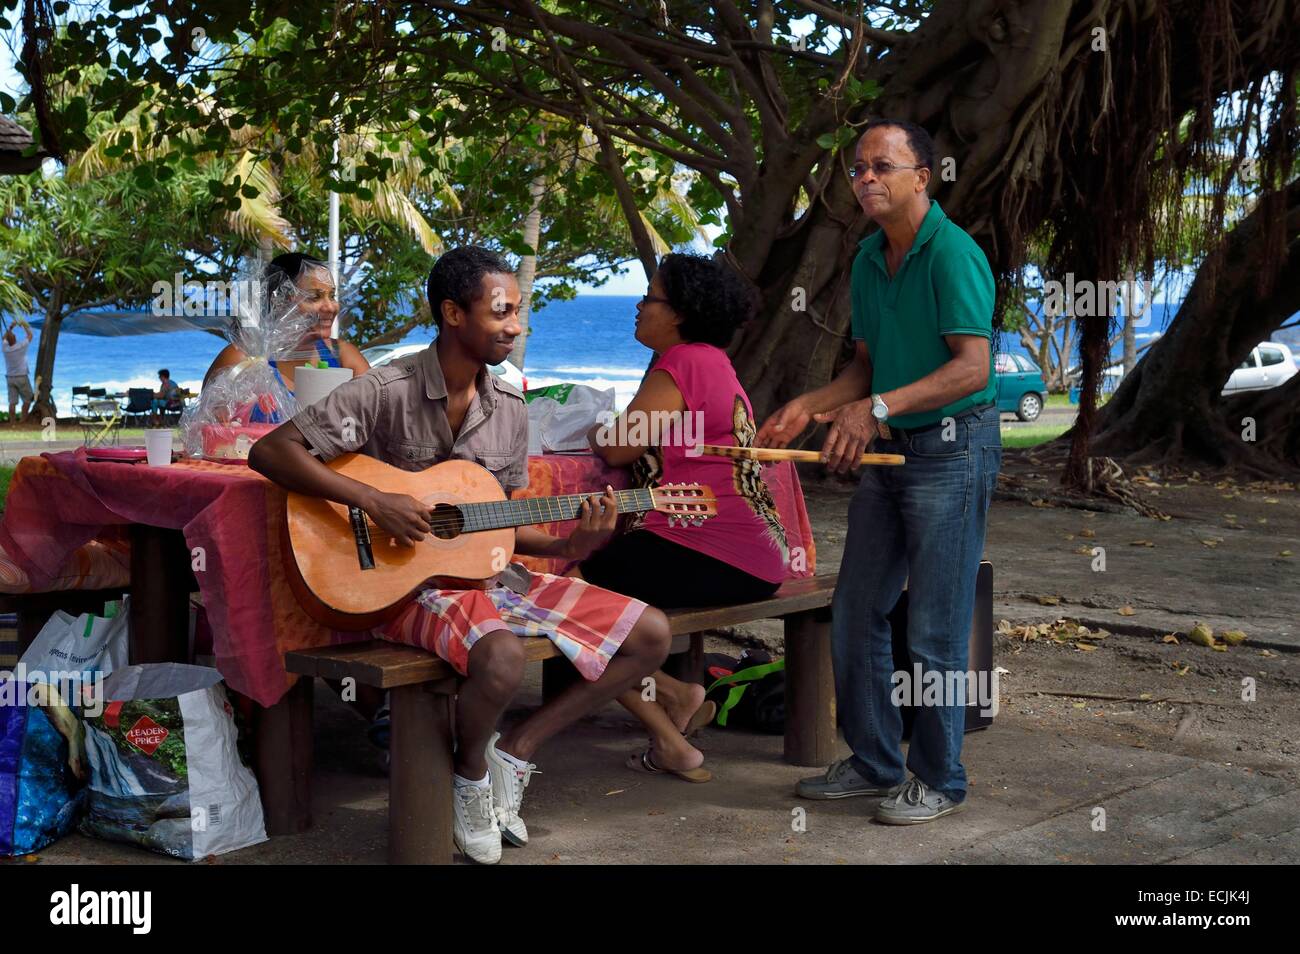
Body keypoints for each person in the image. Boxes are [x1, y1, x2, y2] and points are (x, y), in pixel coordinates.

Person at [249, 246, 671, 864]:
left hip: (484, 579)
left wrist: (570, 545)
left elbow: (487, 524)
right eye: (501, 312)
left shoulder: (510, 409)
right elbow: (273, 453)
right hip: (398, 586)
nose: (516, 326)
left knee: (651, 634)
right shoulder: (385, 388)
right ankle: (470, 775)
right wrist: (374, 500)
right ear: (452, 313)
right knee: (500, 657)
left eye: (519, 312)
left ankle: (516, 750)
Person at [758, 119, 1001, 825]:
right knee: (857, 608)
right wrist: (810, 405)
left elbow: (972, 368)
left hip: (953, 450)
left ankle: (940, 778)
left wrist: (876, 408)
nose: (865, 179)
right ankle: (872, 762)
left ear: (922, 178)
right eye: (858, 169)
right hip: (894, 453)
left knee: (934, 628)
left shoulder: (952, 255)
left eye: (882, 167)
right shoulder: (868, 258)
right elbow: (864, 366)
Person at [576, 253, 789, 782]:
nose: (640, 305)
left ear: (678, 313)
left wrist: (592, 432)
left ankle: (672, 722)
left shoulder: (682, 362)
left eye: (650, 297)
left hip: (707, 548)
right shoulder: (715, 362)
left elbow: (621, 449)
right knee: (584, 602)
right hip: (757, 557)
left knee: (564, 598)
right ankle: (673, 696)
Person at [202, 253, 370, 395]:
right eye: (314, 297)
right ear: (279, 301)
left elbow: (376, 418)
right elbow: (205, 428)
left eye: (332, 296)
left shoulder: (343, 357)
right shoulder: (242, 361)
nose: (330, 306)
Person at [3, 322, 34, 423]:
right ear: (15, 339)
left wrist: (10, 327)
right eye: (14, 335)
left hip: (10, 378)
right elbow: (30, 336)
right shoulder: (21, 346)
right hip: (21, 377)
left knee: (12, 402)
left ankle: (12, 422)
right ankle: (22, 420)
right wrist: (23, 325)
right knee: (28, 399)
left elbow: (4, 337)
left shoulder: (5, 349)